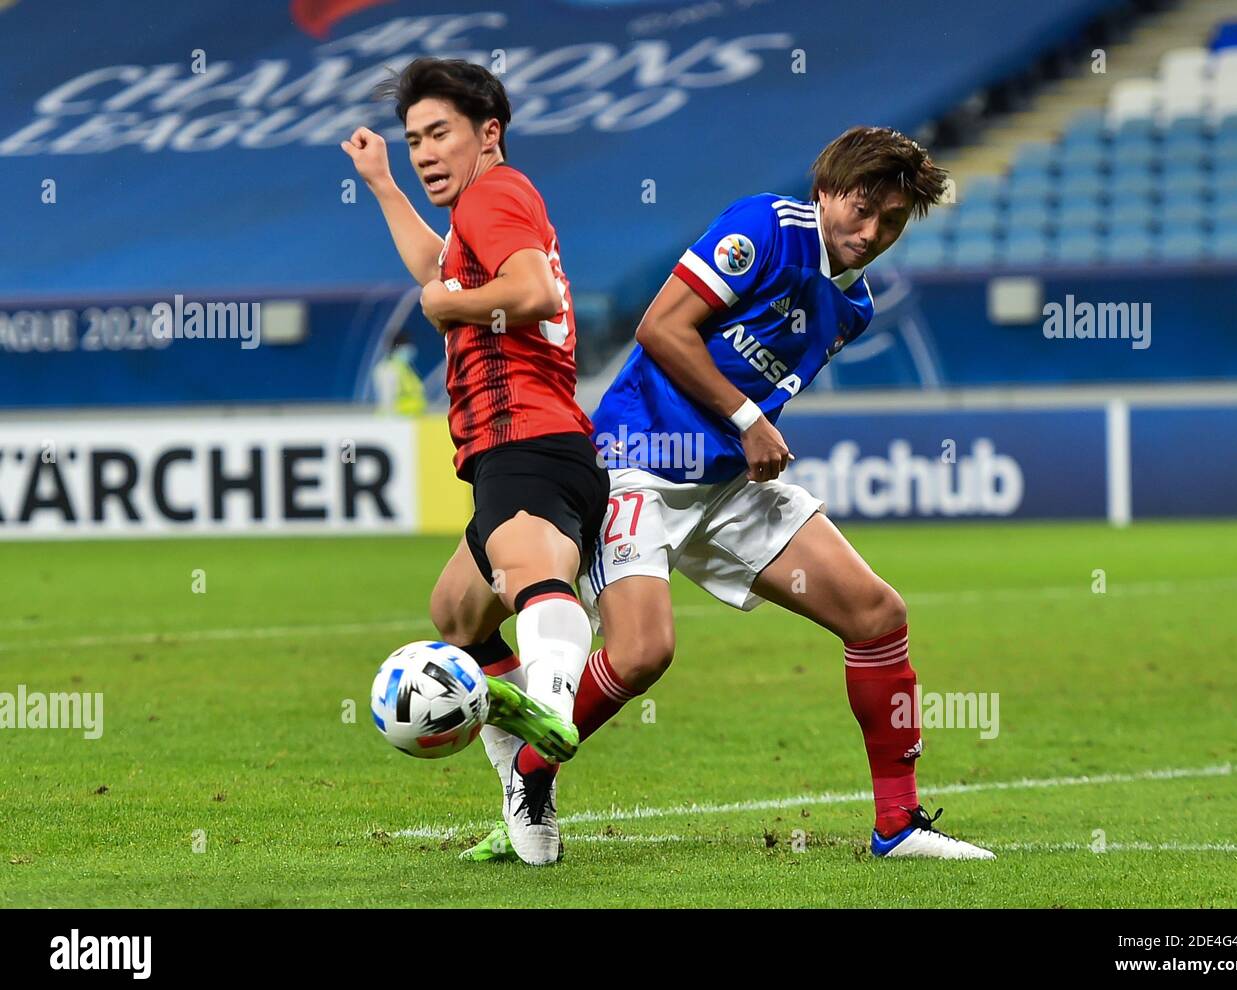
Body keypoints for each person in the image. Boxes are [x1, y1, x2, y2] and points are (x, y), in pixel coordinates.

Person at [464, 126, 995, 863]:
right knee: (644, 651)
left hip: (726, 482)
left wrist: (747, 432)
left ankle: (898, 826)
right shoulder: (765, 229)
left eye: (893, 222)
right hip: (636, 463)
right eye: (861, 209)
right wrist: (749, 420)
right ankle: (532, 767)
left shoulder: (855, 307)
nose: (872, 233)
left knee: (877, 614)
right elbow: (661, 327)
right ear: (825, 194)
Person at [342, 58, 608, 864]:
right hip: (523, 446)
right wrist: (384, 185)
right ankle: (527, 803)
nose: (423, 151)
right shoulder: (480, 216)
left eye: (438, 134)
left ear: (488, 133)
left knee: (529, 575)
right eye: (413, 138)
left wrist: (448, 307)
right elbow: (437, 271)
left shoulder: (497, 193)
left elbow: (533, 293)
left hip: (524, 438)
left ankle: (550, 709)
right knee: (458, 612)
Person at [371, 332, 427, 416]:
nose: (409, 350)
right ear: (397, 348)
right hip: (395, 421)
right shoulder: (388, 369)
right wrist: (391, 422)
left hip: (410, 420)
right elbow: (387, 400)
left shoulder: (406, 368)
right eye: (406, 346)